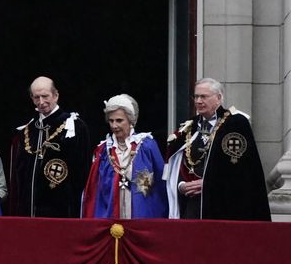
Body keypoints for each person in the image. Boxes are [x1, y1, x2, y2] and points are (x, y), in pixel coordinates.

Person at [165, 78, 270, 221]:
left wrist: (210, 183)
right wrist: (180, 185)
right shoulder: (189, 128)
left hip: (223, 205)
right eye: (196, 96)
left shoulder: (235, 123)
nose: (198, 101)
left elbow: (242, 169)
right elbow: (178, 164)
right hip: (192, 206)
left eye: (204, 96)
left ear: (219, 98)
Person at [7, 76, 92, 218]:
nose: (41, 102)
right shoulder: (26, 130)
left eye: (45, 96)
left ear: (56, 95)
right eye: (36, 97)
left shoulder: (75, 127)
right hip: (29, 211)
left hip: (62, 210)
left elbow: (83, 172)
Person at [84, 94, 167, 220]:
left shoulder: (147, 146)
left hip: (141, 216)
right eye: (111, 121)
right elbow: (95, 189)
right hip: (110, 216)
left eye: (119, 120)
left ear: (131, 120)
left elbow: (161, 184)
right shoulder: (103, 150)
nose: (114, 125)